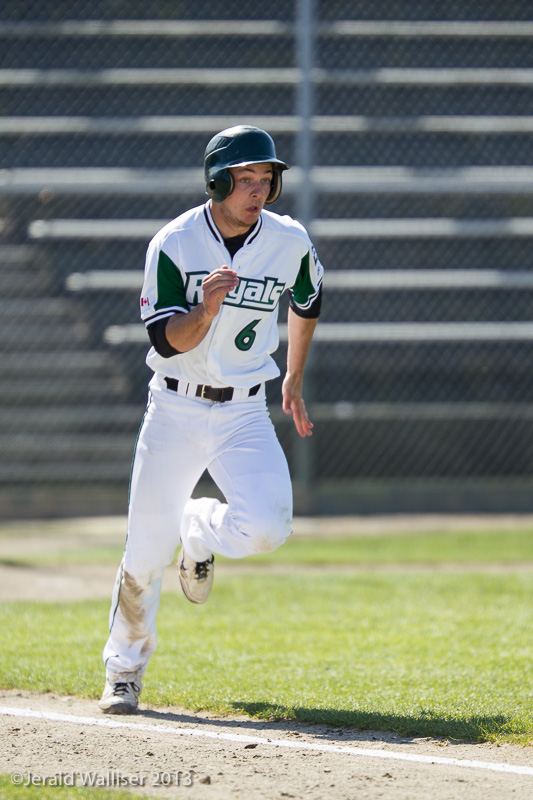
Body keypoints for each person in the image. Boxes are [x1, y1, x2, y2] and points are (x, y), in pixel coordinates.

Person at [99, 125, 324, 714]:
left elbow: (308, 301)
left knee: (269, 526)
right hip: (174, 405)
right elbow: (166, 341)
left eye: (266, 178)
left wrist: (294, 377)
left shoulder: (288, 239)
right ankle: (124, 669)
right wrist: (207, 308)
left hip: (245, 407)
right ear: (217, 181)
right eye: (245, 178)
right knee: (145, 554)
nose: (257, 188)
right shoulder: (174, 242)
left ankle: (198, 528)